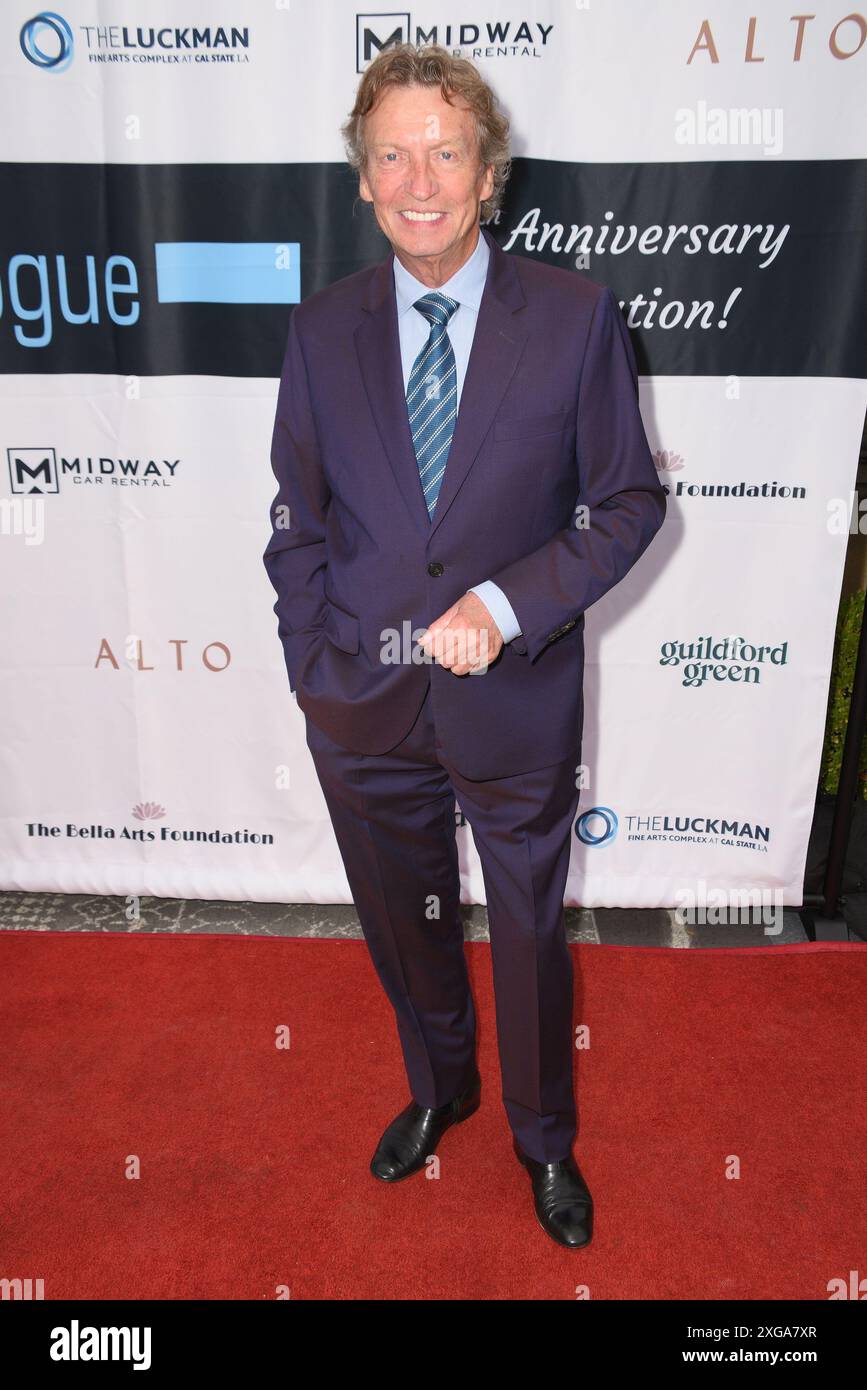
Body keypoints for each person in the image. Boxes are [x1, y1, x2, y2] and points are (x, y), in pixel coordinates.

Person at [263, 42, 666, 1249]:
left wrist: (506, 603)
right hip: (362, 702)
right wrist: (310, 663)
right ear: (364, 178)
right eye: (392, 154)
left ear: (491, 173)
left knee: (532, 931)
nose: (419, 178)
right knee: (407, 923)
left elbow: (632, 505)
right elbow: (297, 520)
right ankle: (443, 1087)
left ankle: (545, 1140)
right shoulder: (323, 329)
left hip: (516, 701)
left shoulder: (579, 320)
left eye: (445, 150)